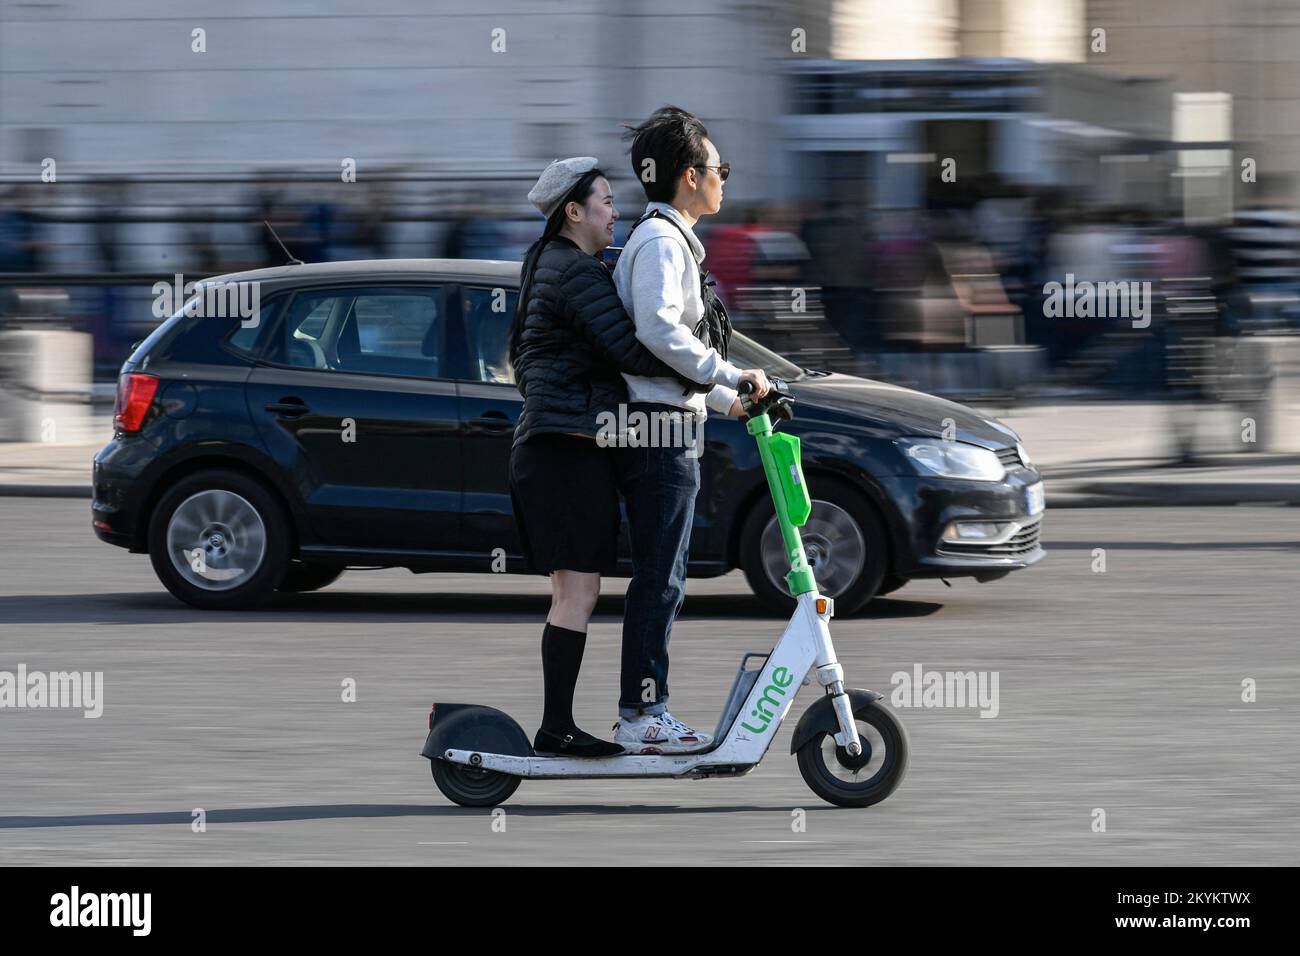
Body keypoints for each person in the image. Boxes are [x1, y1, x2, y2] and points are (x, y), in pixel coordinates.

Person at [508, 157, 703, 758]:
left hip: (558, 445)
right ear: (574, 211)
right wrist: (698, 345)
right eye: (605, 202)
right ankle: (556, 728)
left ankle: (557, 725)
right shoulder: (574, 273)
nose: (616, 212)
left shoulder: (553, 265)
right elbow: (639, 351)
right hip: (564, 449)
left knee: (576, 592)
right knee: (576, 595)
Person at [609, 106, 770, 753]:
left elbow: (665, 355)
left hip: (671, 422)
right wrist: (729, 374)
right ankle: (642, 716)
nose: (723, 179)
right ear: (686, 177)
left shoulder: (666, 241)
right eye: (717, 168)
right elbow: (659, 331)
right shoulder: (659, 243)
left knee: (666, 574)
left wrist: (725, 400)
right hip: (655, 433)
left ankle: (643, 712)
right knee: (660, 576)